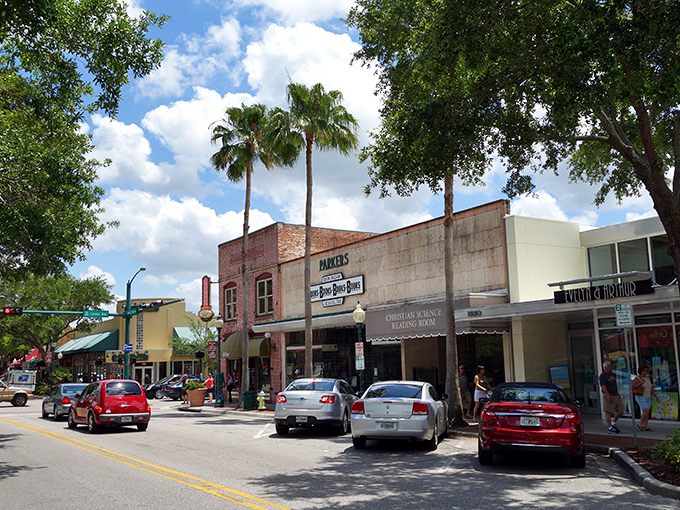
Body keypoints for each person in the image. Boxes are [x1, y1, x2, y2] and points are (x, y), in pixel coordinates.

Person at [600, 360, 624, 434]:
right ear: (605, 367)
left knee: (621, 410)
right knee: (609, 412)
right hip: (608, 395)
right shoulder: (603, 375)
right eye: (610, 366)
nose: (611, 368)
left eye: (611, 366)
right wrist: (608, 396)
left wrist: (617, 393)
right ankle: (610, 427)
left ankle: (613, 423)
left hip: (616, 394)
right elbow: (603, 386)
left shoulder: (612, 374)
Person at [632, 364, 657, 431]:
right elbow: (633, 386)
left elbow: (651, 388)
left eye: (647, 371)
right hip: (641, 397)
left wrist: (655, 396)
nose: (646, 372)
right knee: (646, 410)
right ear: (641, 371)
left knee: (646, 412)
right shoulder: (638, 378)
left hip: (648, 397)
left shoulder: (647, 379)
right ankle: (640, 424)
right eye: (644, 370)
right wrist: (640, 382)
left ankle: (645, 426)